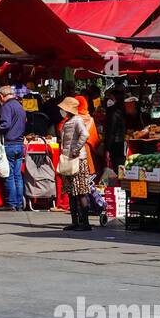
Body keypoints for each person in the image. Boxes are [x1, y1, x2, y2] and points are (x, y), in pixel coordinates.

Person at [58, 96, 96, 231]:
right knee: (71, 193)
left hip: (78, 160)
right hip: (68, 160)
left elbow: (85, 135)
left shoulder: (77, 120)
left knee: (80, 192)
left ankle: (85, 223)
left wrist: (75, 149)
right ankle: (75, 222)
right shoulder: (68, 122)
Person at [0, 85, 27, 211]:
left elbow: (5, 124)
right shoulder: (20, 106)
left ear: (1, 96)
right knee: (17, 175)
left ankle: (11, 203)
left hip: (9, 144)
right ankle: (19, 203)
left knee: (9, 175)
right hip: (19, 144)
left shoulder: (6, 107)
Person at [103, 89, 128, 173]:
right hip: (121, 142)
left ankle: (119, 182)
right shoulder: (123, 109)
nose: (108, 100)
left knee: (117, 166)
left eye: (111, 98)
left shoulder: (112, 112)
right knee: (121, 165)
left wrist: (107, 147)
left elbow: (111, 130)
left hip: (115, 144)